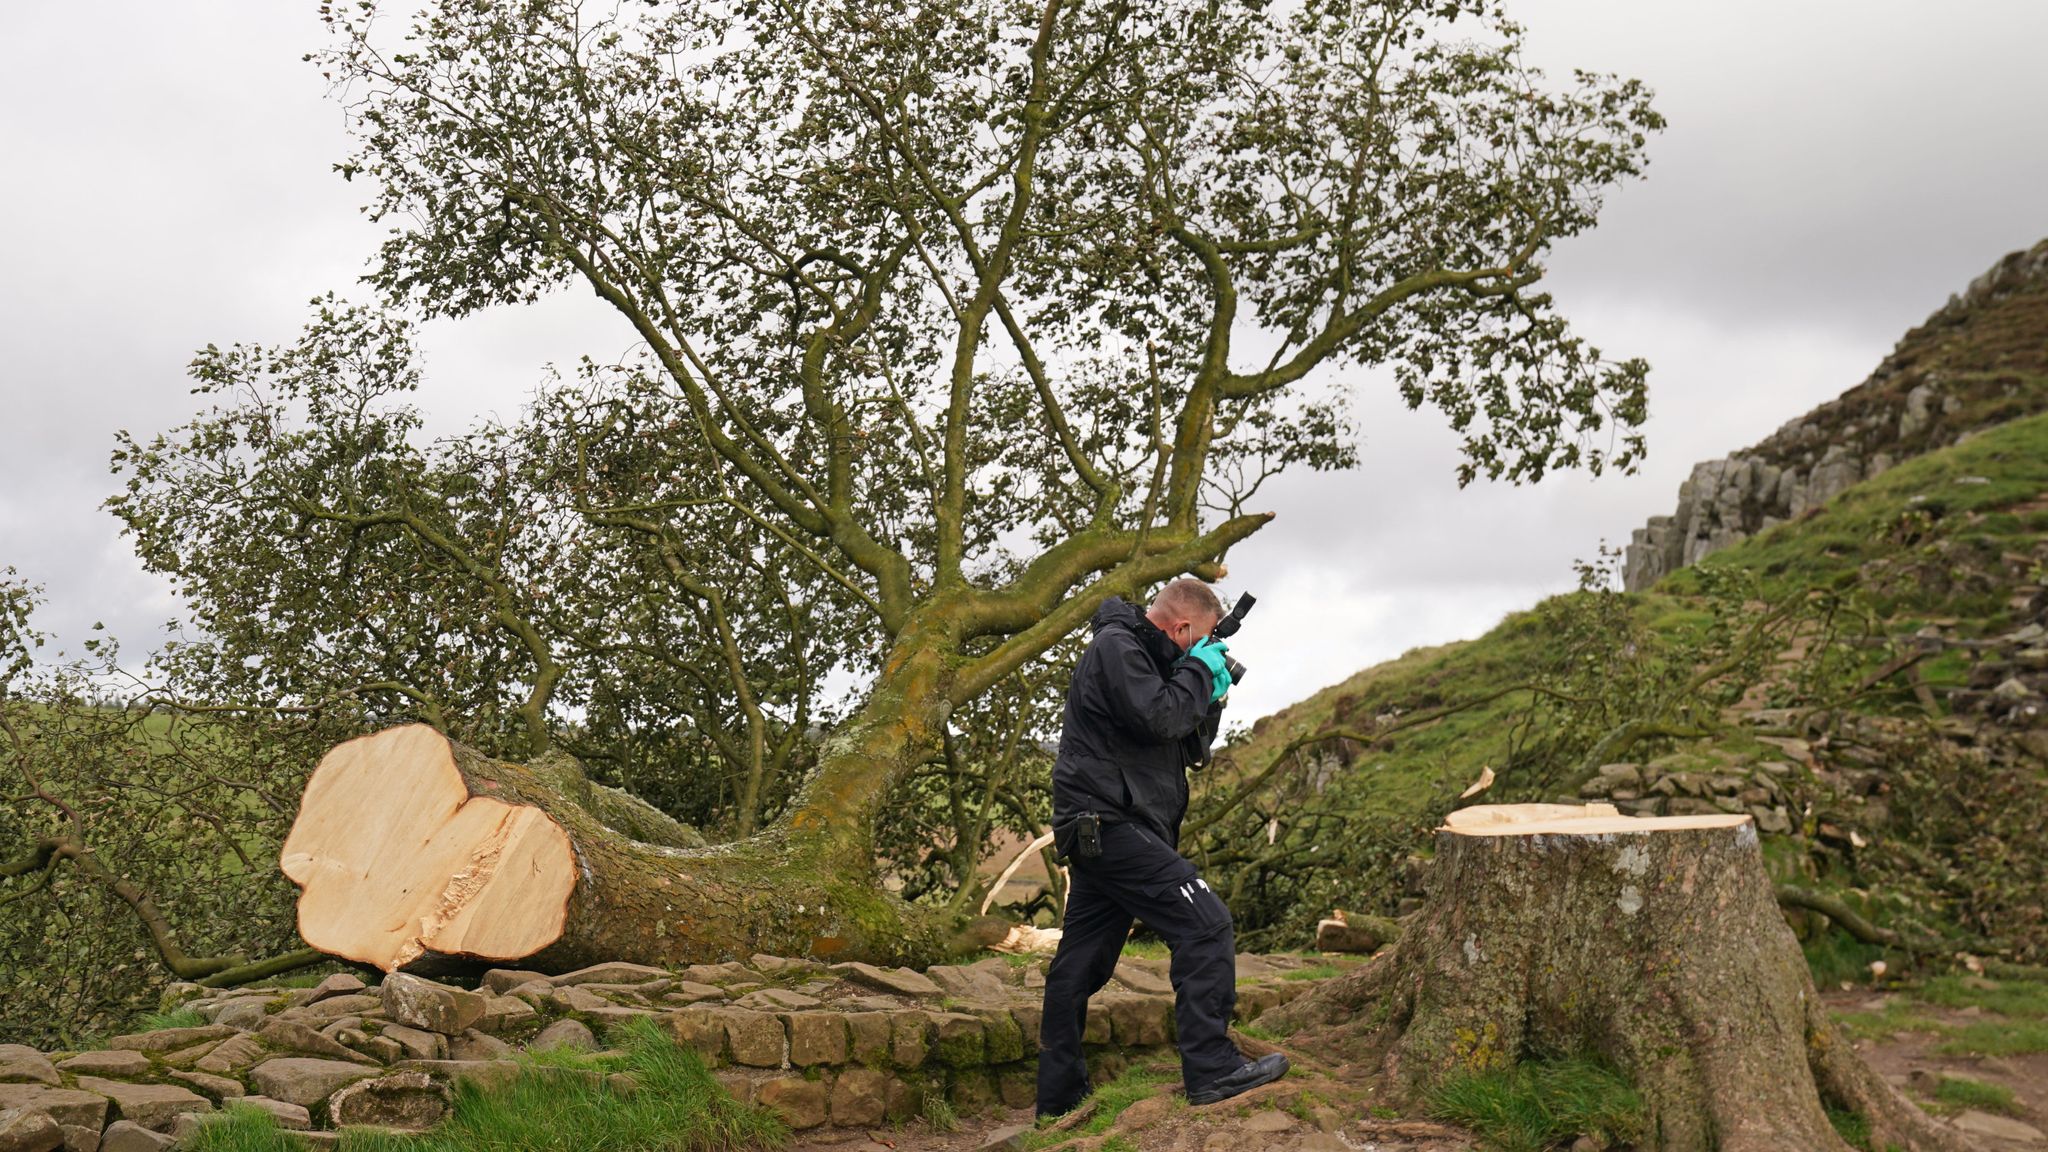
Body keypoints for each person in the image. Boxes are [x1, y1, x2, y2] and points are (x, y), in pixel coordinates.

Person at [1035, 578, 1289, 1118]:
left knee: (1079, 966)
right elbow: (1161, 716)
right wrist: (1198, 669)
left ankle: (1056, 1101)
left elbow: (1189, 743)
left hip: (1117, 829)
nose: (1197, 653)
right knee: (1206, 924)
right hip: (1108, 823)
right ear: (1180, 628)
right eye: (1195, 642)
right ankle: (1212, 1069)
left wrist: (1212, 692)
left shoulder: (1150, 660)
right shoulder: (1117, 647)